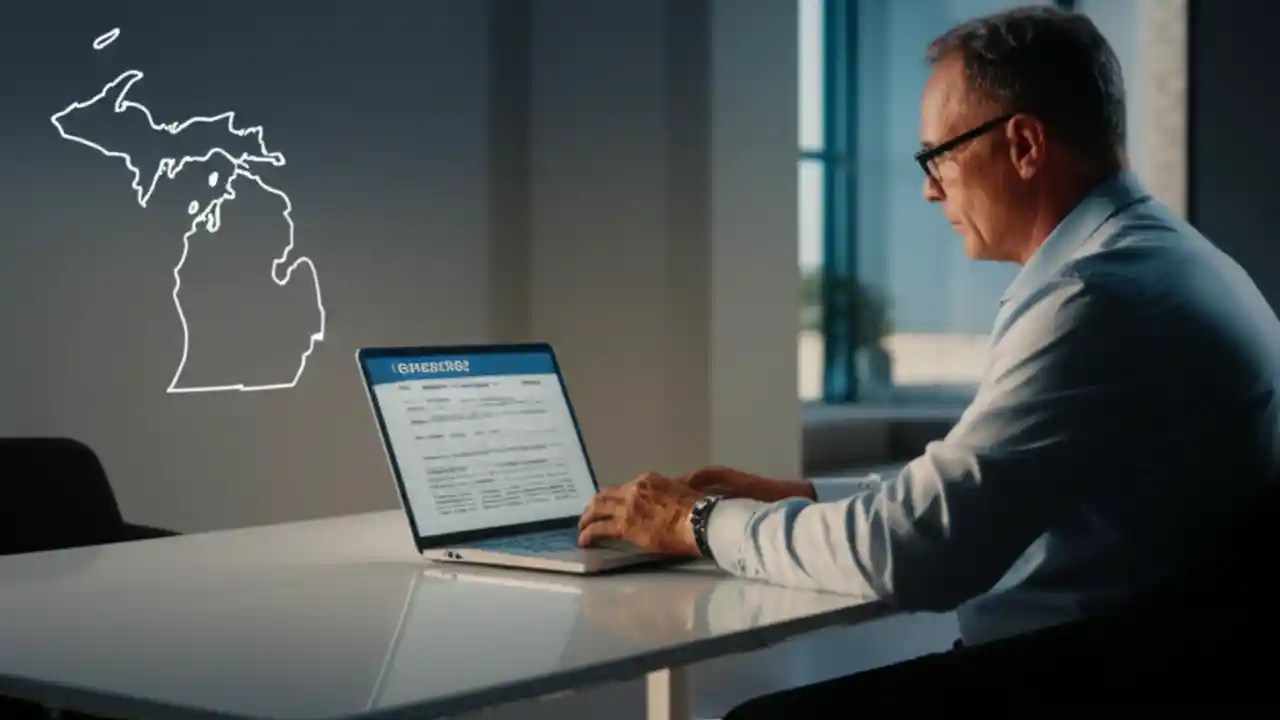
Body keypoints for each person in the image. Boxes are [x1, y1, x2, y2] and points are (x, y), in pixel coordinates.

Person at [576, 1, 1280, 661]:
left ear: (1025, 145)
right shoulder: (1173, 259)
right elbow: (976, 489)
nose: (929, 189)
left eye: (936, 155)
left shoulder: (1089, 295)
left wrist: (697, 523)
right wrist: (795, 494)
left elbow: (916, 554)